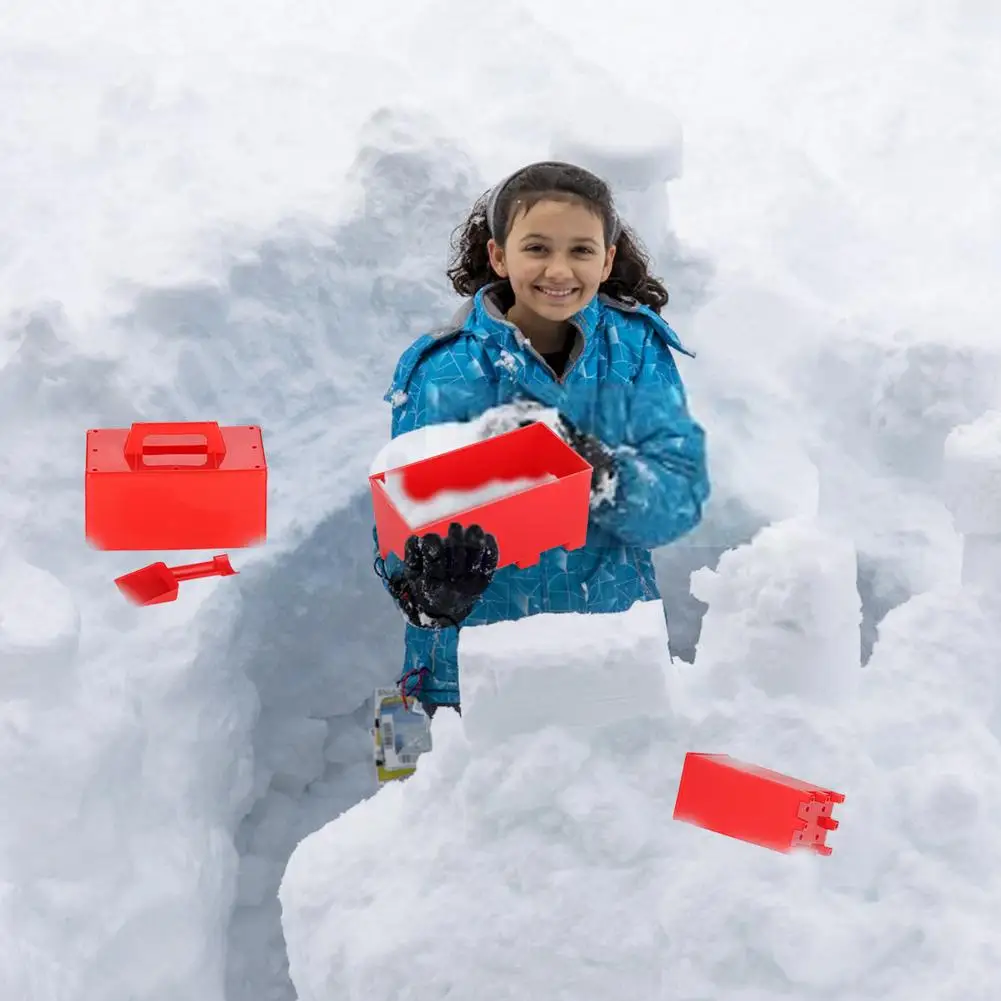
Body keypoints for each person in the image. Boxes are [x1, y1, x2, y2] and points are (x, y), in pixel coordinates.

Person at [373, 160, 710, 717]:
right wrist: (428, 595)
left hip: (610, 649)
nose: (559, 270)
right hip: (477, 668)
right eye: (536, 248)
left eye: (581, 250)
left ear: (607, 260)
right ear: (498, 255)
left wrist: (604, 475)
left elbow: (673, 504)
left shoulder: (635, 350)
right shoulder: (445, 369)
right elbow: (400, 520)